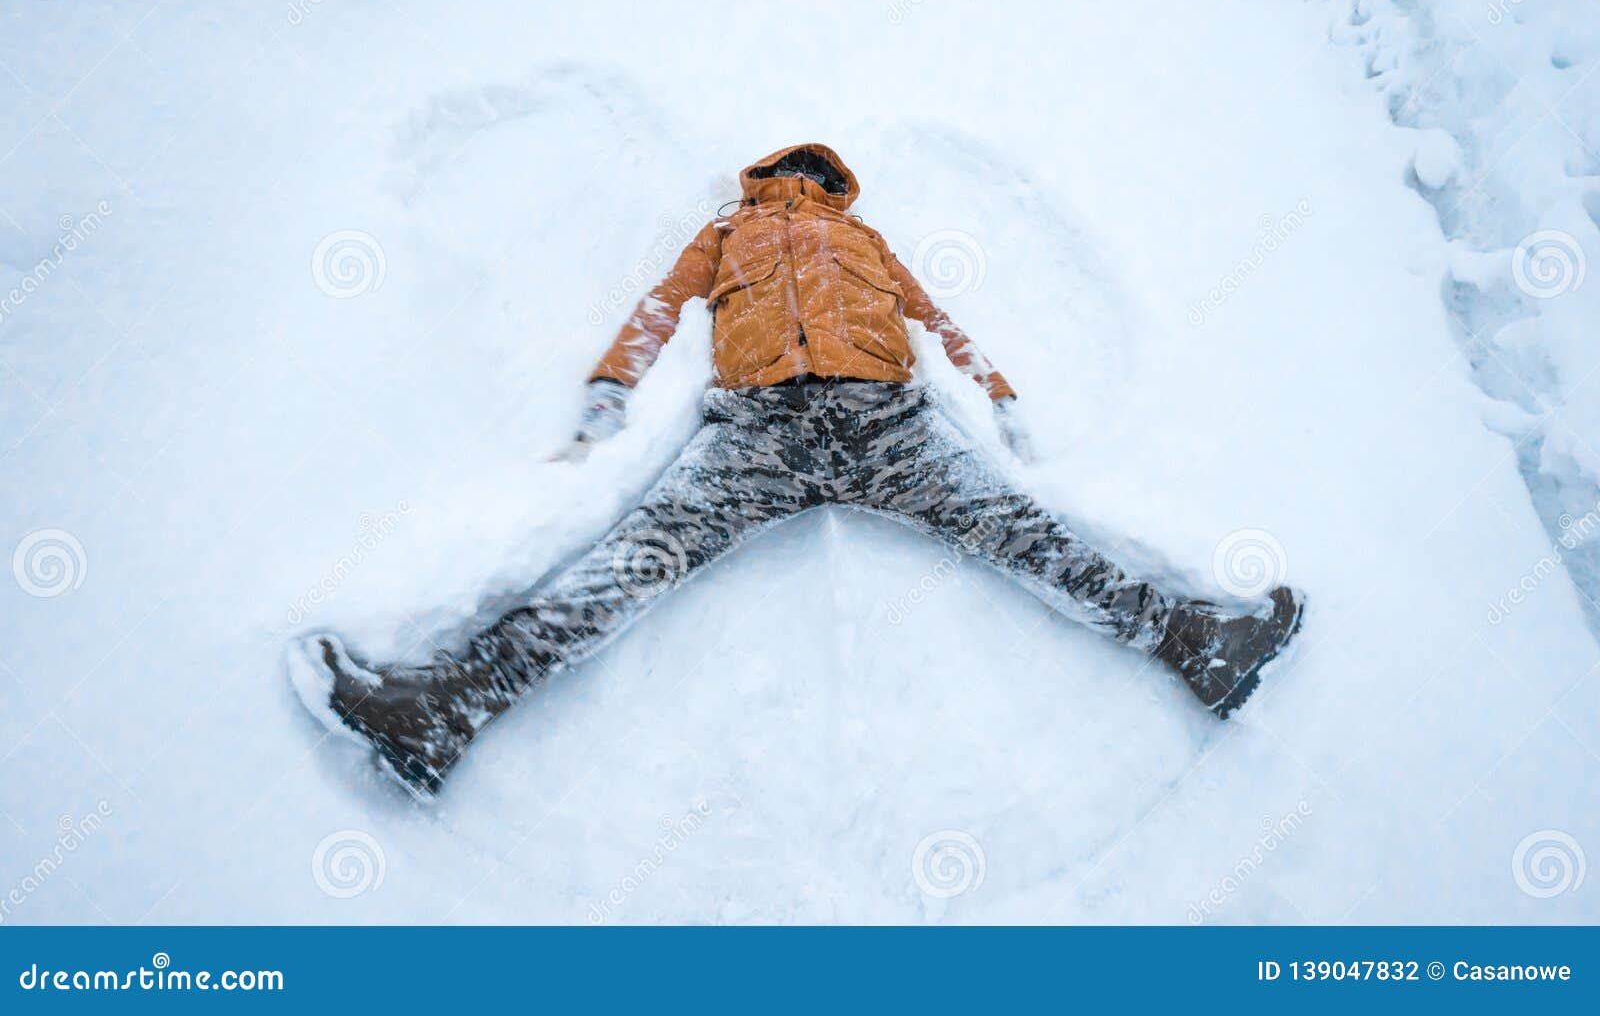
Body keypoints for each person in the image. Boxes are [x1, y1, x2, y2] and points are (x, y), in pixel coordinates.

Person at [289, 143, 1305, 797]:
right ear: (771, 176)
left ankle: (1198, 647)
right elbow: (662, 304)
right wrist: (611, 384)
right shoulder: (726, 231)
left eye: (822, 174)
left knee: (1026, 536)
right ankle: (443, 710)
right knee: (630, 565)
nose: (811, 182)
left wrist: (994, 387)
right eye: (800, 171)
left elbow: (934, 317)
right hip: (757, 435)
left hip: (887, 425)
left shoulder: (865, 236)